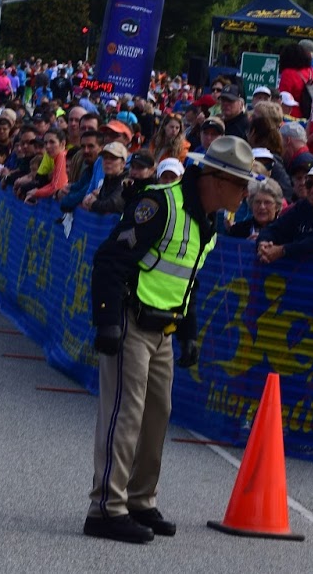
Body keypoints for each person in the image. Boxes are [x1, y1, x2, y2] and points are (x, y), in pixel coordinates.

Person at [85, 136, 256, 544]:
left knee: (157, 414)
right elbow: (110, 259)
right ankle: (106, 508)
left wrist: (189, 333)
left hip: (163, 328)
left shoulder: (211, 222)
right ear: (216, 179)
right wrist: (107, 322)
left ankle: (140, 501)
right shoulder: (160, 205)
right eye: (240, 183)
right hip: (131, 319)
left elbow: (187, 281)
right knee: (125, 414)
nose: (245, 193)